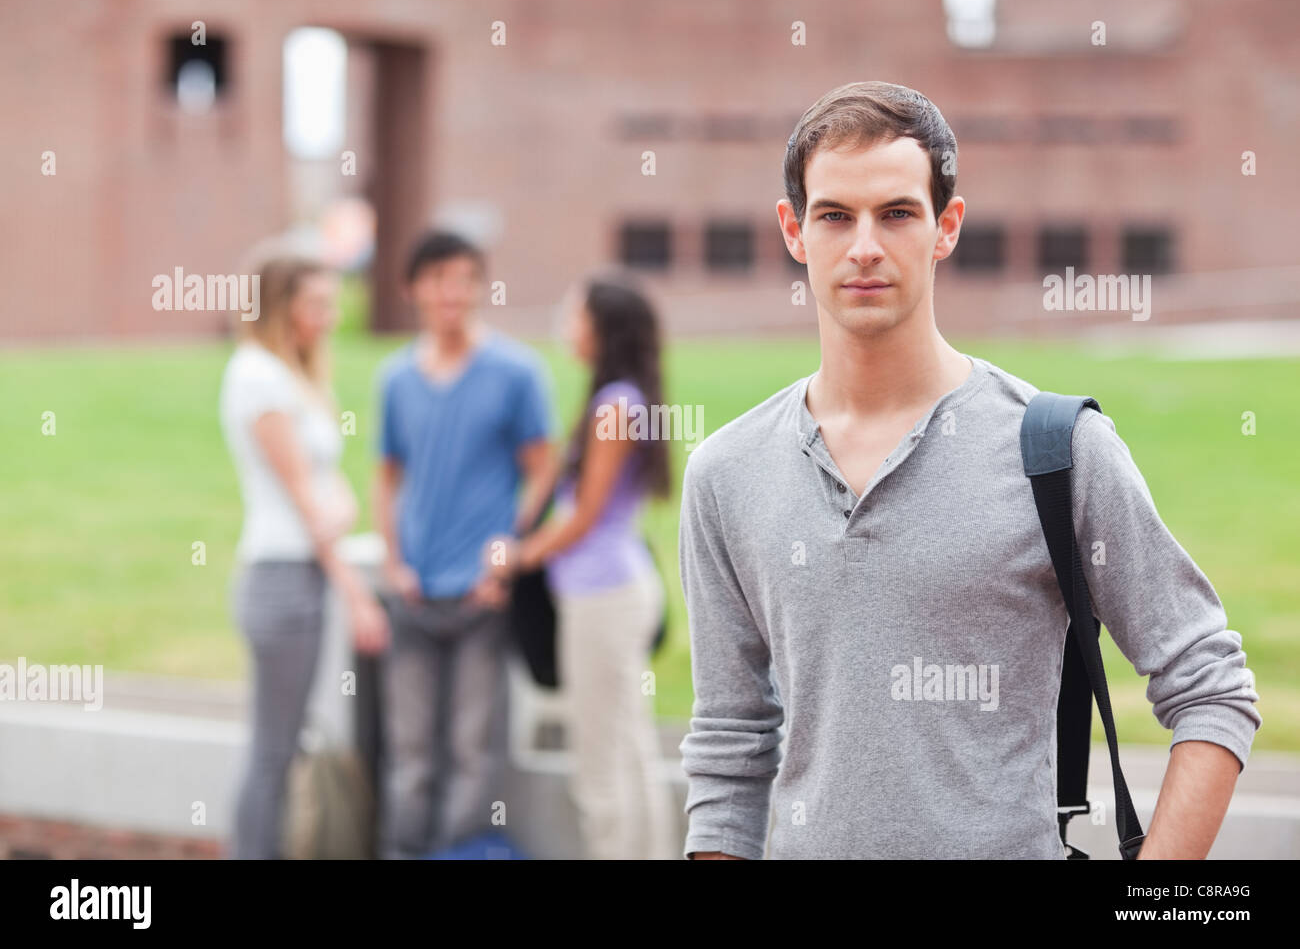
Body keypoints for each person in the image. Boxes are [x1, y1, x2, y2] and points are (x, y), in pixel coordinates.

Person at [678, 81, 1262, 860]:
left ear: (945, 227)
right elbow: (729, 743)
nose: (864, 247)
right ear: (794, 230)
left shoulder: (1057, 450)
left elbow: (1212, 687)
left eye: (896, 213)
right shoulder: (725, 473)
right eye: (834, 216)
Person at [482, 273, 677, 859]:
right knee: (631, 749)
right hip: (615, 592)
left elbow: (584, 516)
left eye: (576, 317)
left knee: (598, 766)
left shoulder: (615, 405)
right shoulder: (624, 398)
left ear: (604, 328)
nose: (566, 328)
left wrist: (515, 555)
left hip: (602, 599)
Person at [373, 230, 554, 859]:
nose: (453, 293)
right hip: (413, 594)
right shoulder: (394, 378)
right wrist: (393, 562)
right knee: (410, 748)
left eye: (465, 280)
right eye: (438, 279)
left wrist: (505, 556)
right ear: (413, 289)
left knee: (475, 746)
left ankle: (458, 854)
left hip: (482, 596)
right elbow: (386, 475)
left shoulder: (516, 372)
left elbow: (542, 472)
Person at [219, 255, 389, 860]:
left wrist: (332, 508)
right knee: (273, 751)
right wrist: (358, 593)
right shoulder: (258, 376)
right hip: (281, 581)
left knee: (282, 746)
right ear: (280, 305)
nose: (331, 316)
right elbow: (310, 505)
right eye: (316, 303)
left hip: (298, 577)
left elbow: (325, 496)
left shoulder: (289, 375)